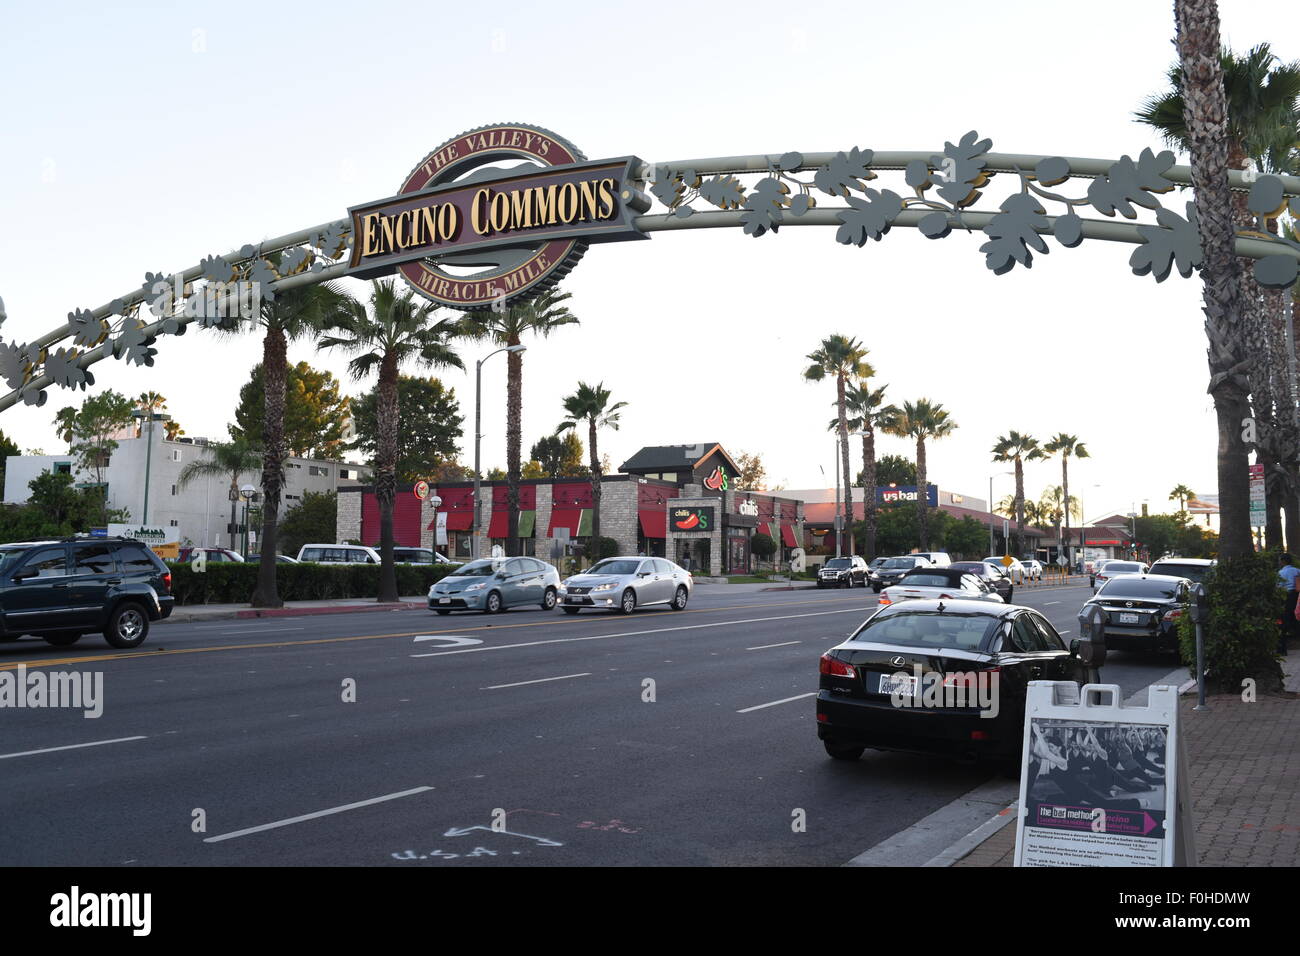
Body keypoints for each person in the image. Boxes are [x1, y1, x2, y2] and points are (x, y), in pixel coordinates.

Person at [1278, 553, 1299, 655]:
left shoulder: (1281, 573)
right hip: (1297, 597)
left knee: (1284, 621)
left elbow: (1279, 587)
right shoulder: (1297, 571)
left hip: (1286, 597)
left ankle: (1282, 649)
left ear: (1283, 561)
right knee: (1297, 619)